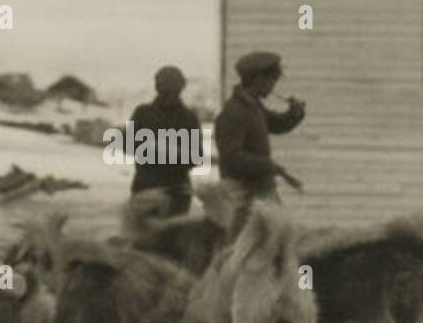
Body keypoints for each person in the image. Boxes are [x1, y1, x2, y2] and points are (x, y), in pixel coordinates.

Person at [213, 50, 306, 233]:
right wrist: (268, 165)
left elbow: (276, 124)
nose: (273, 87)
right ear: (258, 79)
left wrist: (294, 114)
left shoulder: (253, 106)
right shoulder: (235, 112)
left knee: (281, 239)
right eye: (272, 81)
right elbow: (232, 157)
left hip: (260, 191)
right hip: (245, 196)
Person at [128, 66, 202, 216]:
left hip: (174, 192)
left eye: (172, 85)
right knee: (147, 237)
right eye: (164, 85)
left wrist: (159, 150)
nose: (168, 90)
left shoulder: (188, 117)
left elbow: (196, 157)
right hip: (148, 191)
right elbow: (129, 146)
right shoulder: (143, 113)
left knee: (169, 236)